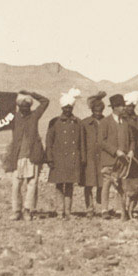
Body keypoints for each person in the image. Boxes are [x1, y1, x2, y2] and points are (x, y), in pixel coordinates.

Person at [2, 90, 50, 221]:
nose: (25, 109)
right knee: (16, 185)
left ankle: (28, 210)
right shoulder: (13, 117)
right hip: (17, 157)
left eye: (27, 106)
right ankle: (17, 210)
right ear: (18, 107)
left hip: (32, 156)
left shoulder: (34, 116)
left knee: (32, 184)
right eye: (22, 107)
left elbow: (45, 101)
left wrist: (31, 94)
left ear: (30, 107)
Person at [45, 88, 86, 220]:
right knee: (59, 185)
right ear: (62, 107)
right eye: (65, 107)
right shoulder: (54, 122)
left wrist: (83, 158)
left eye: (70, 107)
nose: (68, 110)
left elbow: (82, 142)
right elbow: (49, 141)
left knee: (69, 185)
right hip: (58, 159)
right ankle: (59, 212)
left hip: (73, 159)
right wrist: (49, 158)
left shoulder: (78, 122)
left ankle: (68, 211)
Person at [97, 93, 133, 220]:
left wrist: (131, 151)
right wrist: (115, 151)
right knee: (106, 184)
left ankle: (119, 209)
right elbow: (101, 142)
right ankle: (104, 210)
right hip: (109, 160)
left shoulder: (126, 123)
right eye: (122, 106)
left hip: (123, 161)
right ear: (115, 107)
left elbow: (132, 140)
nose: (124, 108)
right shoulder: (105, 122)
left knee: (120, 185)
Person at [79, 92, 107, 216]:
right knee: (88, 184)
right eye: (96, 110)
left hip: (103, 157)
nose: (98, 113)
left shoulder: (106, 122)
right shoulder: (85, 123)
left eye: (100, 110)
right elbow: (82, 142)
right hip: (89, 158)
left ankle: (102, 207)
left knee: (102, 184)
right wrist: (83, 158)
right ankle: (89, 208)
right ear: (92, 110)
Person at [123, 91, 138, 180]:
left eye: (132, 106)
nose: (130, 108)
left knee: (136, 178)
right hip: (123, 152)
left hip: (136, 153)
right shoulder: (120, 118)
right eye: (129, 106)